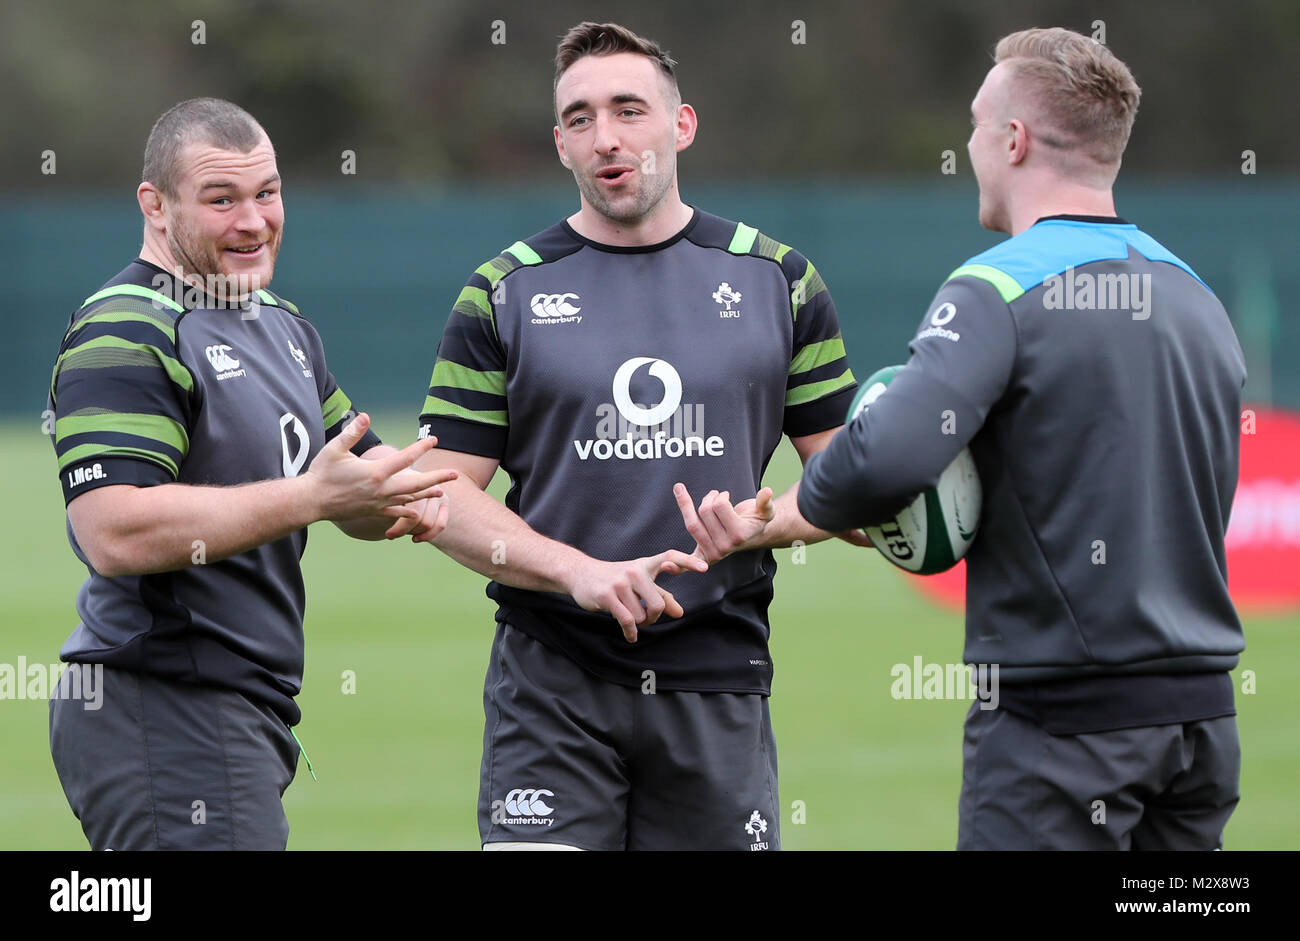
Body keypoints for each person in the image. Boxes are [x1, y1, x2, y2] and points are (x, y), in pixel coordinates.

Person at [398, 22, 861, 850]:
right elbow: (437, 490)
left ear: (680, 126)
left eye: (628, 110)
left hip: (718, 678)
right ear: (561, 146)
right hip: (550, 683)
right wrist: (579, 572)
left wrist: (770, 521)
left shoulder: (780, 281)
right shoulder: (501, 292)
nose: (605, 137)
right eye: (579, 118)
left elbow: (853, 489)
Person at [797, 28, 1246, 850]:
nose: (966, 146)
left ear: (1013, 139)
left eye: (975, 124)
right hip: (1202, 730)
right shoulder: (1196, 298)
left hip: (1063, 731)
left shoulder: (997, 287)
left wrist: (791, 511)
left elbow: (890, 453)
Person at [47, 97, 456, 850]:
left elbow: (350, 480)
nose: (253, 221)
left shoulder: (283, 325)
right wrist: (314, 496)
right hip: (163, 708)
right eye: (221, 199)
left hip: (237, 712)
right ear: (156, 205)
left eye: (266, 193)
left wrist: (390, 500)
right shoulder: (127, 327)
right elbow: (112, 530)